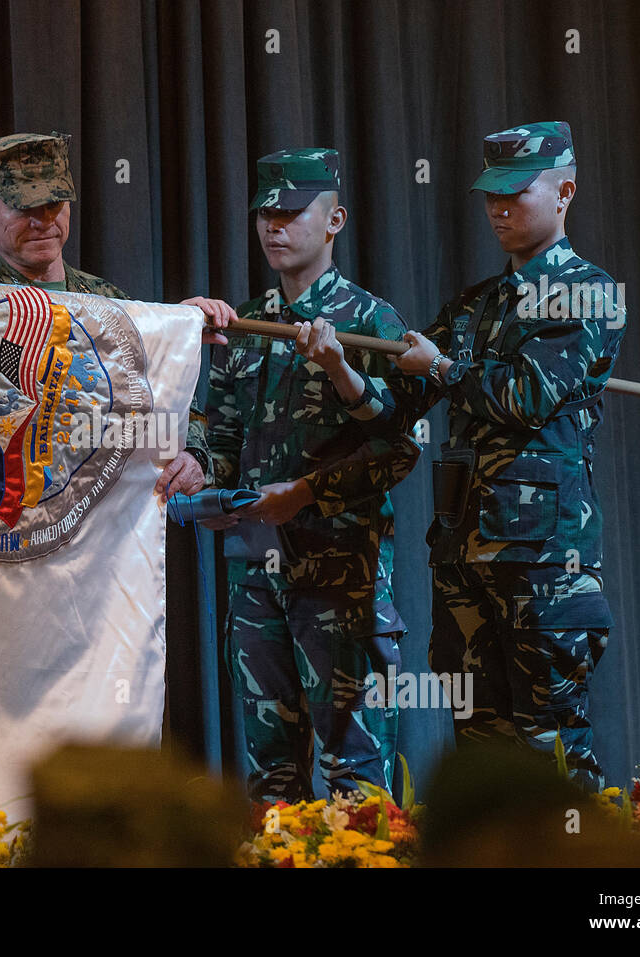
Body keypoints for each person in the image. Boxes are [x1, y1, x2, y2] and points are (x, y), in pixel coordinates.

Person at [300, 122, 625, 791]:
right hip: (462, 552)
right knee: (480, 756)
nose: (499, 209)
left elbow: (525, 395)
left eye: (517, 192)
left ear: (564, 191)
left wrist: (444, 366)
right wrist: (340, 370)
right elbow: (396, 407)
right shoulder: (475, 305)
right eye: (490, 195)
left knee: (553, 748)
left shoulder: (588, 292)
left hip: (544, 562)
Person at [204, 148, 420, 801]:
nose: (275, 225)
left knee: (355, 773)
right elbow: (222, 436)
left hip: (341, 580)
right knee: (272, 777)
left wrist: (303, 494)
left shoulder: (370, 321)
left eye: (293, 212)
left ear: (334, 221)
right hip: (257, 576)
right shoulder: (245, 320)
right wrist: (203, 482)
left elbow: (395, 447)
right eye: (267, 212)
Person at [0, 131, 234, 496]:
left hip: (93, 533)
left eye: (54, 203)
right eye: (23, 207)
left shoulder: (107, 300)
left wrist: (191, 453)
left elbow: (165, 393)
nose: (43, 220)